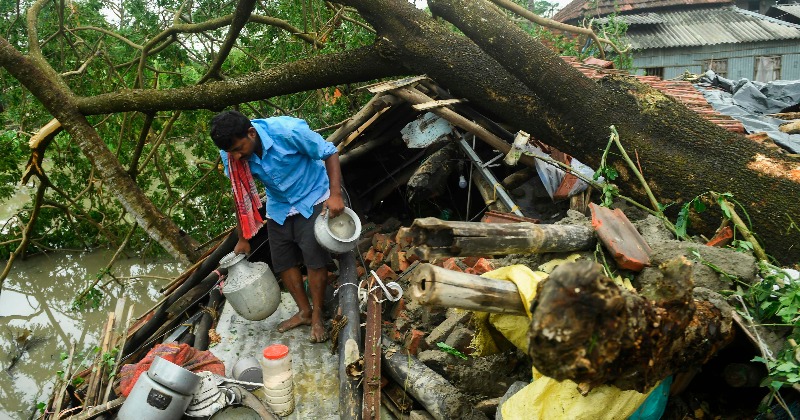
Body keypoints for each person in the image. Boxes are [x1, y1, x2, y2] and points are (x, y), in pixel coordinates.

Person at [210, 110, 344, 343]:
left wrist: (335, 195)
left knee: (314, 258)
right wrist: (243, 238)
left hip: (313, 195)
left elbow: (330, 153)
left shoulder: (287, 131)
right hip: (279, 206)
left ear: (251, 133)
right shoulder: (231, 155)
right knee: (282, 260)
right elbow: (238, 194)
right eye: (232, 152)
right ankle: (304, 311)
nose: (238, 157)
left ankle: (318, 316)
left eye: (240, 148)